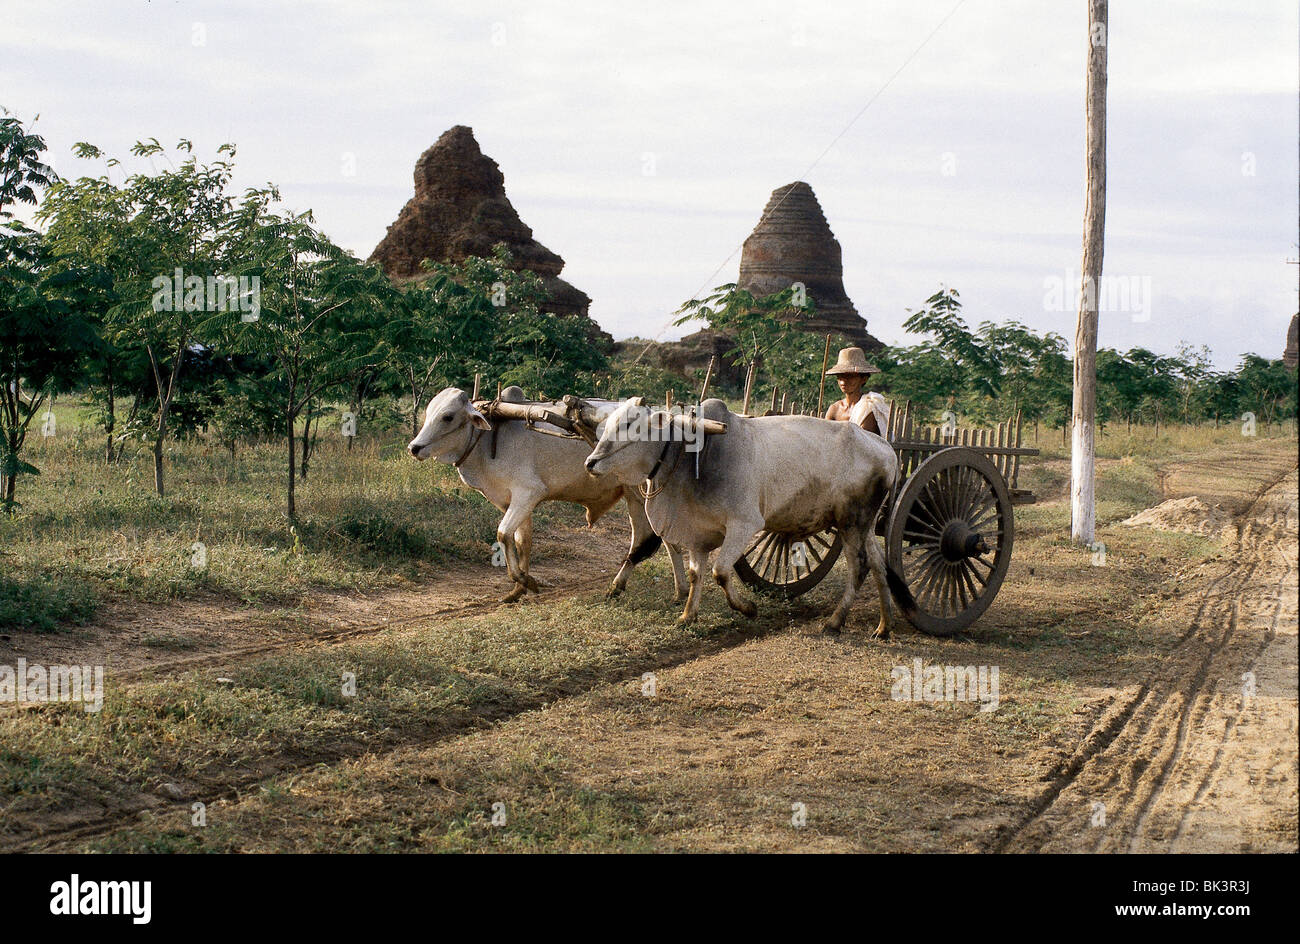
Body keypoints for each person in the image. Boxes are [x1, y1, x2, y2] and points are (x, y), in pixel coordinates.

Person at [823, 346, 888, 435]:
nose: (843, 381)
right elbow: (825, 436)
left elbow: (862, 441)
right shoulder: (835, 409)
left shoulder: (868, 407)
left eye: (850, 376)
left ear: (864, 379)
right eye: (840, 376)